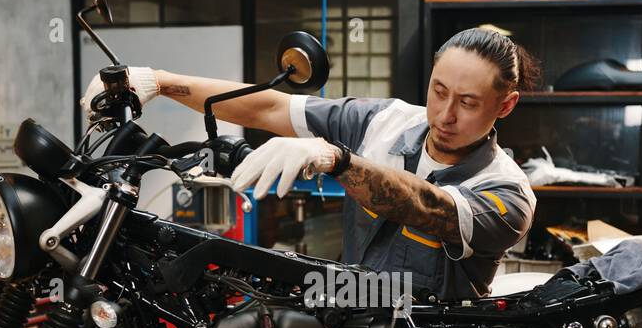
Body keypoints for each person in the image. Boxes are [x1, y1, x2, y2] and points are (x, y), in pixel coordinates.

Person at [82, 27, 541, 301]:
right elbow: (267, 109)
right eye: (438, 91)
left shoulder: (508, 192)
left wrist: (335, 159)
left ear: (505, 106)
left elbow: (428, 207)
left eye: (468, 102)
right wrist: (161, 82)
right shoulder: (383, 121)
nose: (445, 114)